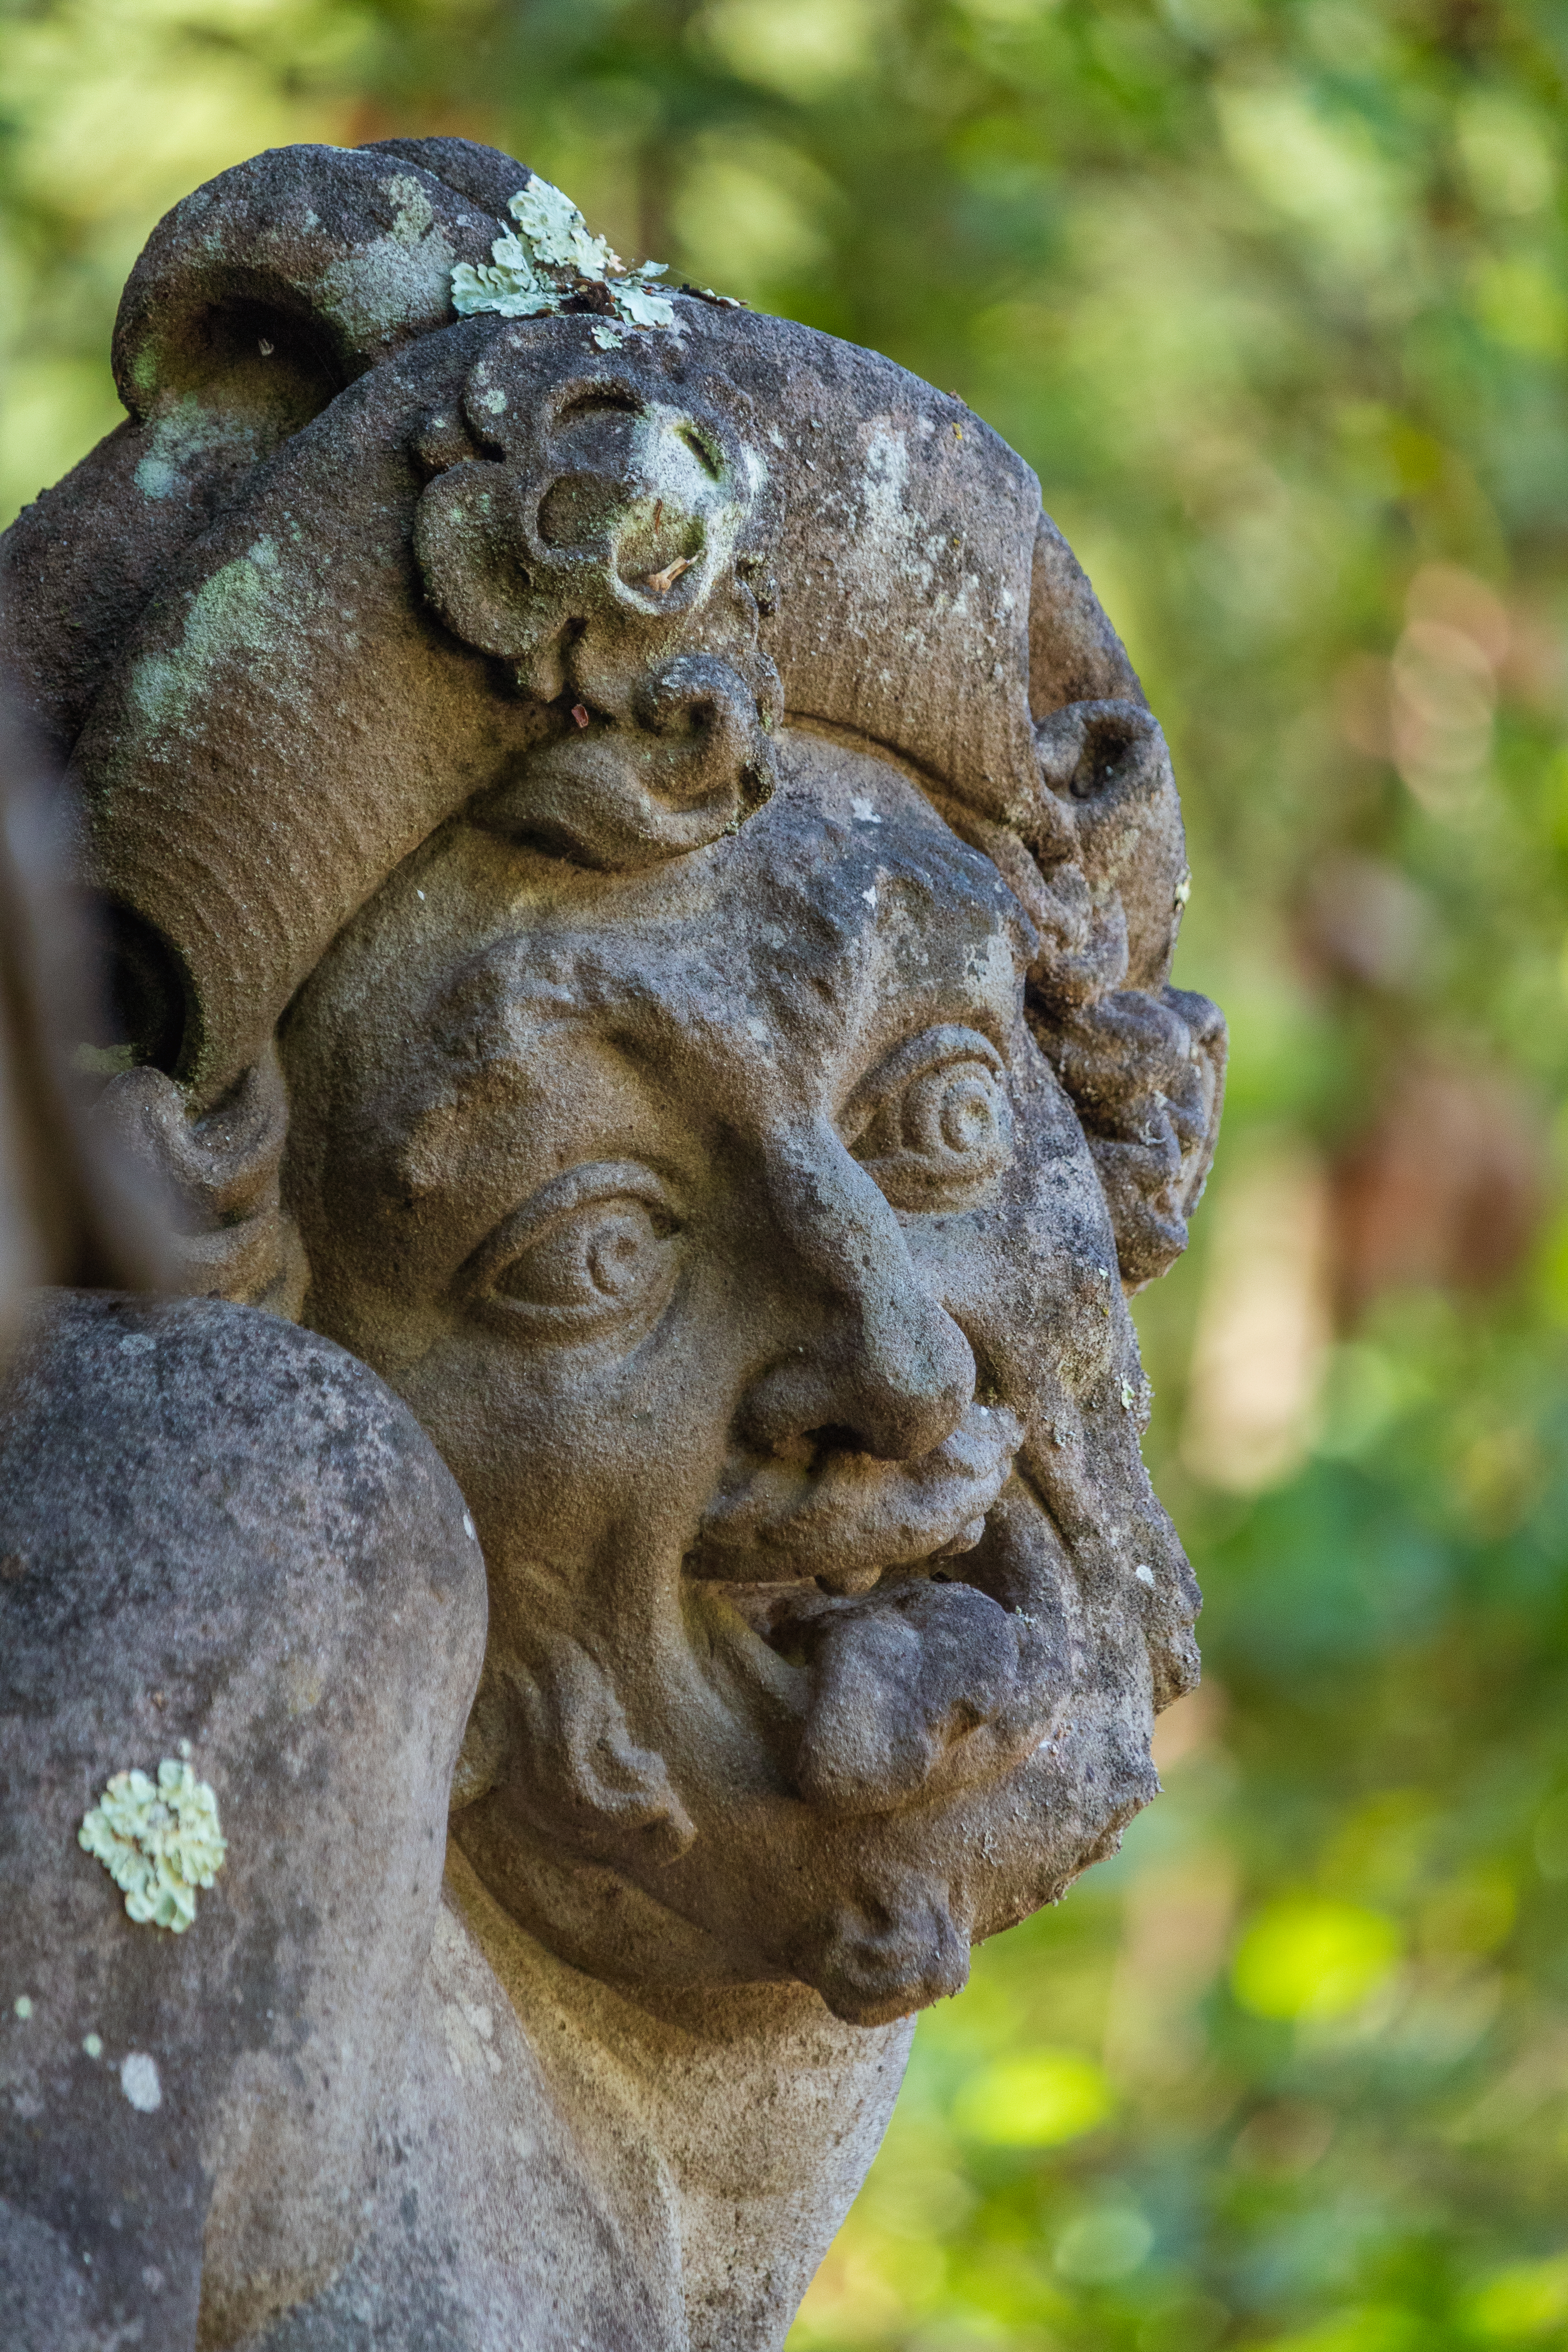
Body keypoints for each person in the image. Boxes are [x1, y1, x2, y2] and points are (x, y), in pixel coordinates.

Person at [0, 137, 1223, 2351]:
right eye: (588, 1247)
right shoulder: (224, 1513)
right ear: (294, 1322)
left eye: (941, 1117)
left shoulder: (740, 2037)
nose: (901, 1365)